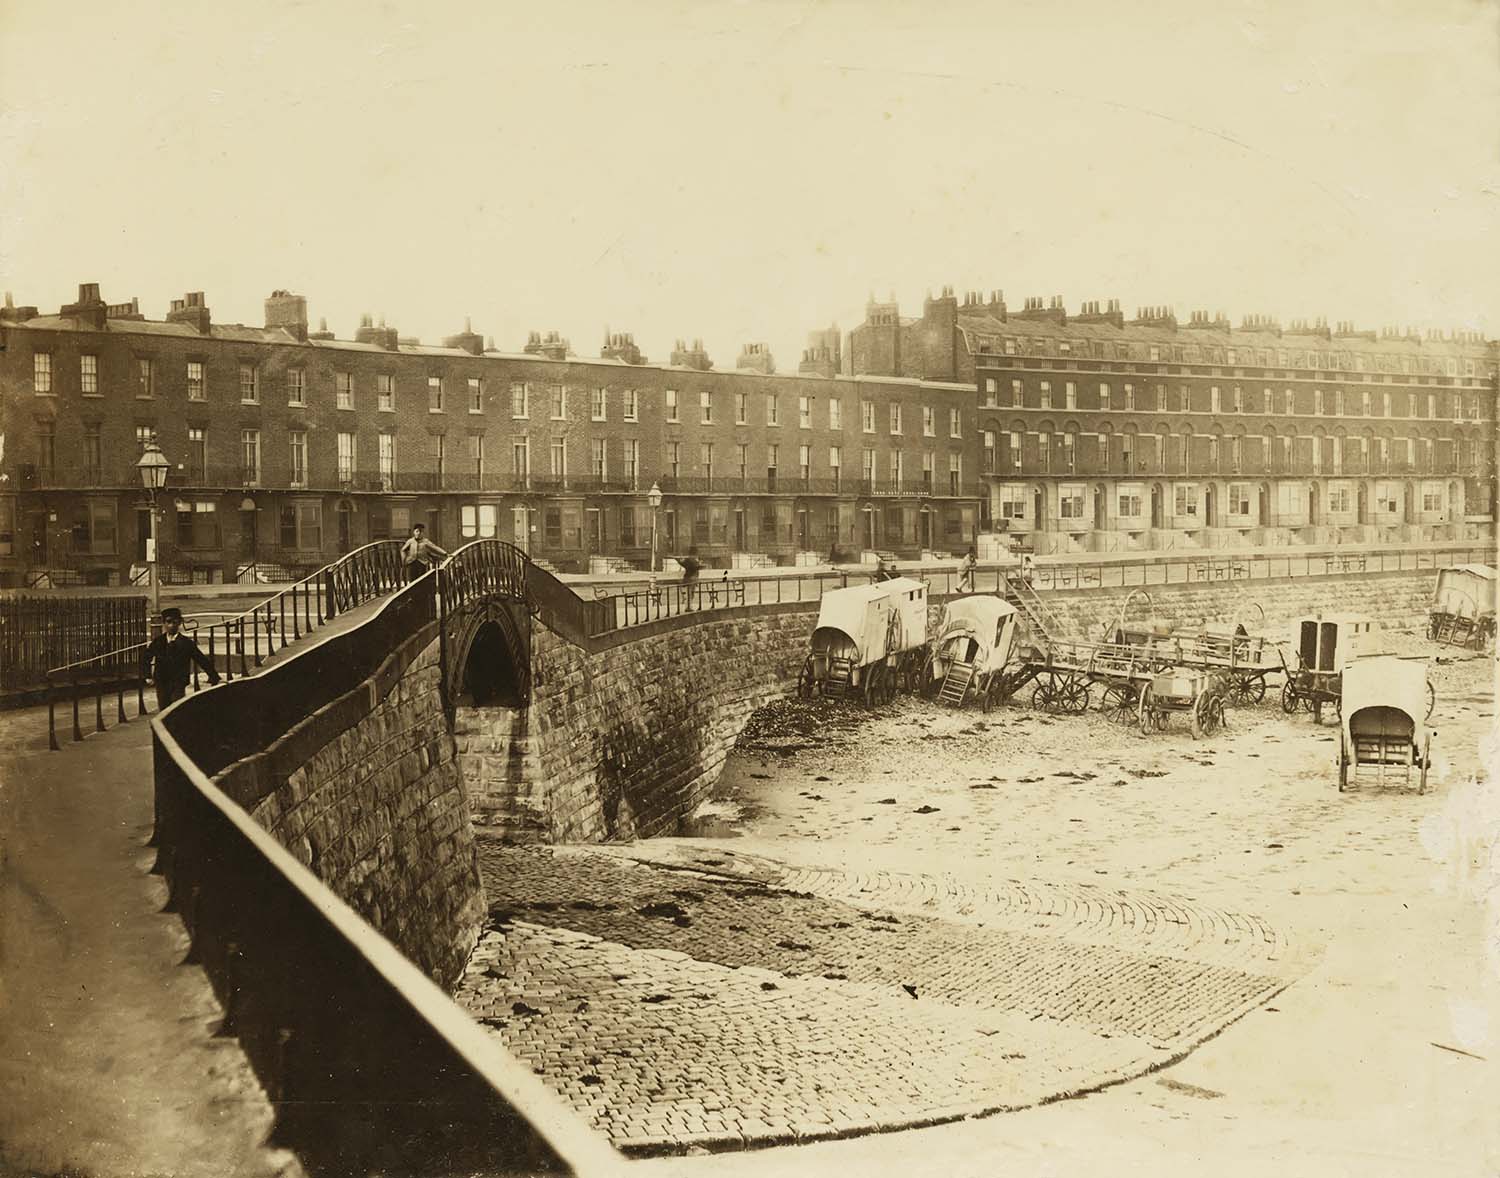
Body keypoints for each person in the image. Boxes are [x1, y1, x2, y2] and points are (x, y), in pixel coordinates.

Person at [142, 607, 220, 711]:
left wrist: (215, 677)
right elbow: (146, 657)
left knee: (176, 708)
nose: (171, 625)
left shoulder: (186, 643)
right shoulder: (158, 641)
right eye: (168, 622)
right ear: (164, 623)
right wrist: (148, 675)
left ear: (179, 623)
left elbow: (201, 659)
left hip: (178, 681)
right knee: (164, 708)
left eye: (175, 622)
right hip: (162, 681)